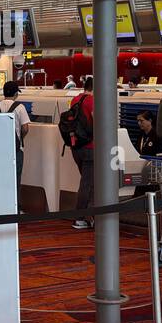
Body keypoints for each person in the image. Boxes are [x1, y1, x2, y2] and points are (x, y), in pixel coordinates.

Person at [68, 76, 95, 230]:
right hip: (90, 147)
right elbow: (97, 121)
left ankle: (89, 217)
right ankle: (80, 218)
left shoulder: (75, 99)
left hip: (76, 146)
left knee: (89, 183)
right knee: (88, 184)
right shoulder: (91, 101)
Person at [0, 80, 30, 188]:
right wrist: (20, 138)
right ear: (16, 94)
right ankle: (15, 203)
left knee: (0, 177)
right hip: (16, 150)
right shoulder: (20, 107)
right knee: (15, 179)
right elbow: (25, 128)